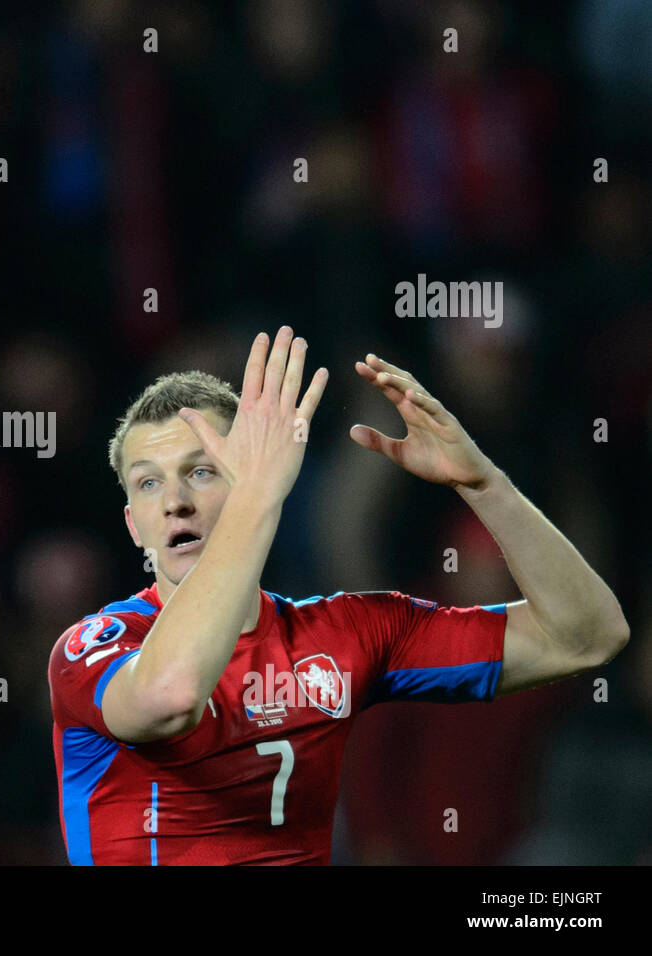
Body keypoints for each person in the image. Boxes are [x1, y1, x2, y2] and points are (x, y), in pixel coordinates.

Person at [48, 325, 629, 865]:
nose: (175, 500)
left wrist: (482, 484)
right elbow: (170, 697)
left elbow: (586, 636)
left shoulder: (349, 633)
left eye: (203, 471)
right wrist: (256, 497)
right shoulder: (92, 649)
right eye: (149, 482)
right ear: (133, 524)